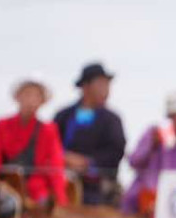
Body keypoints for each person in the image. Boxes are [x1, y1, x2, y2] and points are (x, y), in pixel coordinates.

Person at [54, 62, 127, 206]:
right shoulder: (64, 116)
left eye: (107, 84)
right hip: (63, 182)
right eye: (100, 84)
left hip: (98, 187)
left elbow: (116, 151)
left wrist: (87, 163)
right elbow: (49, 144)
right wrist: (64, 158)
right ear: (85, 87)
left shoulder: (112, 119)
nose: (106, 89)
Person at [0, 77, 68, 205]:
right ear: (18, 97)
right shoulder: (2, 125)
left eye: (37, 96)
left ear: (42, 101)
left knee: (43, 213)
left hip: (36, 188)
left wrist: (60, 198)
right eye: (27, 94)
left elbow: (55, 164)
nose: (31, 100)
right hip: (6, 184)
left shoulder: (48, 130)